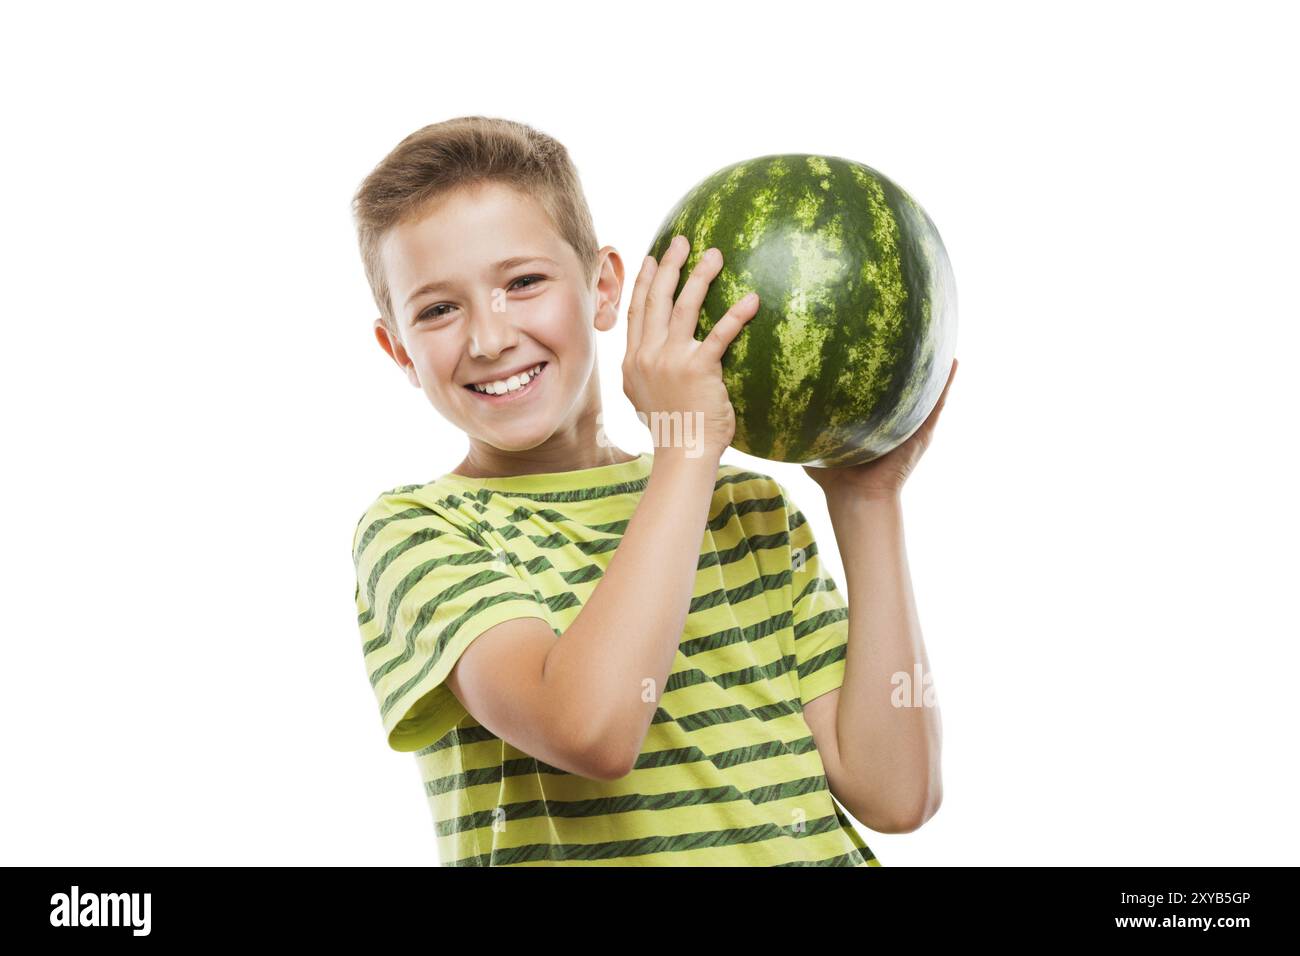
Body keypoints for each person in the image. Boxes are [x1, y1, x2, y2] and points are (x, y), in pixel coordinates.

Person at [348, 116, 954, 866]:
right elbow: (592, 730)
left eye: (523, 283)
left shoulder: (749, 512)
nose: (490, 337)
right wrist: (687, 447)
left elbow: (897, 794)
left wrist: (867, 501)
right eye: (439, 308)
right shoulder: (419, 532)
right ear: (398, 348)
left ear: (604, 289)